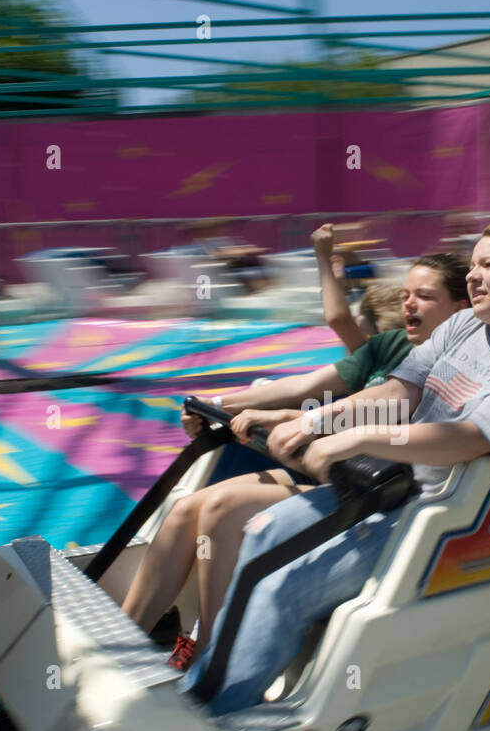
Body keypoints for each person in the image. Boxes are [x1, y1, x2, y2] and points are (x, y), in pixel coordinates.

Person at [180, 220, 490, 715]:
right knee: (262, 530)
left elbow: (469, 439)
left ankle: (214, 711)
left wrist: (362, 436)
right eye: (472, 264)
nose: (474, 275)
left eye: (489, 264)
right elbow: (398, 393)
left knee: (287, 581)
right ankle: (212, 683)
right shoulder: (465, 327)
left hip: (449, 521)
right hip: (396, 493)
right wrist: (317, 419)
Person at [121, 253, 470, 669]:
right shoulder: (392, 347)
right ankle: (124, 640)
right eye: (407, 294)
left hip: (376, 496)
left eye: (424, 296)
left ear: (459, 309)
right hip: (338, 480)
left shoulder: (454, 368)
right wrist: (216, 405)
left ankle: (213, 655)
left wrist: (297, 420)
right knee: (184, 510)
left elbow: (353, 407)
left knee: (220, 509)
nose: (409, 303)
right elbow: (303, 388)